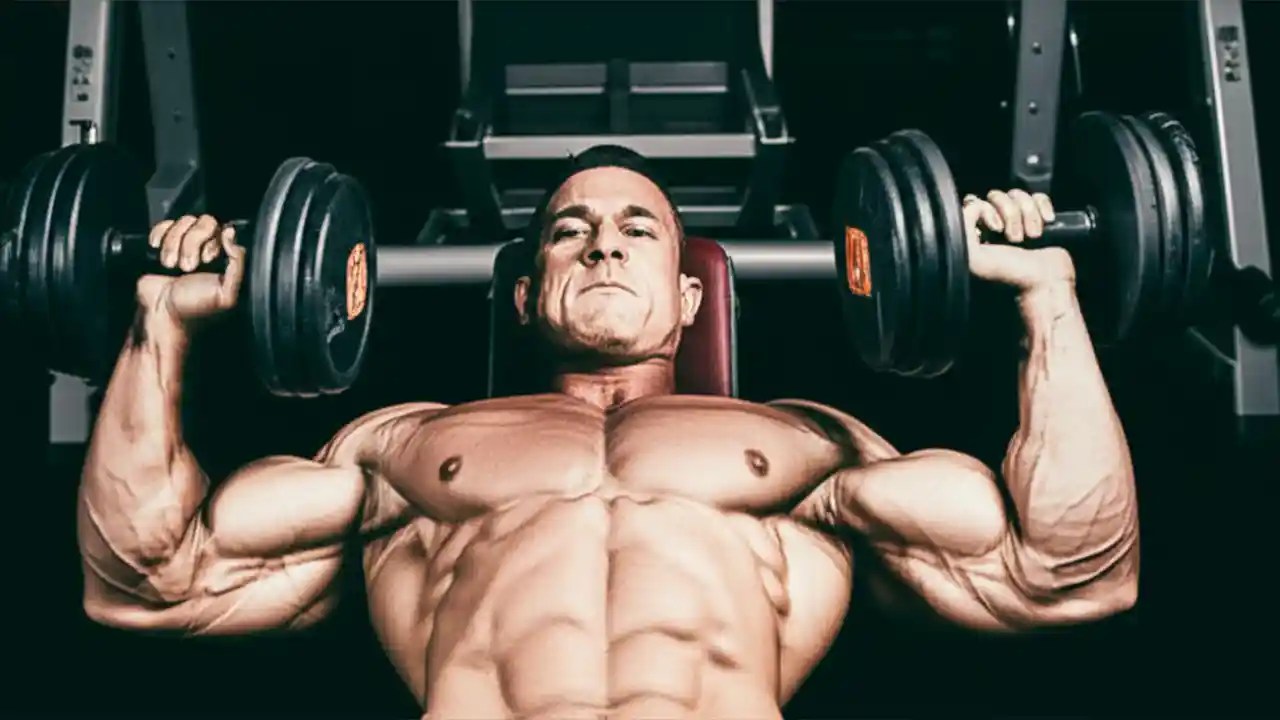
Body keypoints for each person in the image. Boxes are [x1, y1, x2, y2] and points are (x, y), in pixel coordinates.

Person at [77, 145, 1138, 720]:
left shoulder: (809, 445)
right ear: (524, 294)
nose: (602, 247)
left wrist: (1046, 296)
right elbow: (149, 579)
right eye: (568, 231)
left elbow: (1065, 570)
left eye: (638, 229)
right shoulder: (403, 449)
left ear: (689, 298)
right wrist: (160, 322)